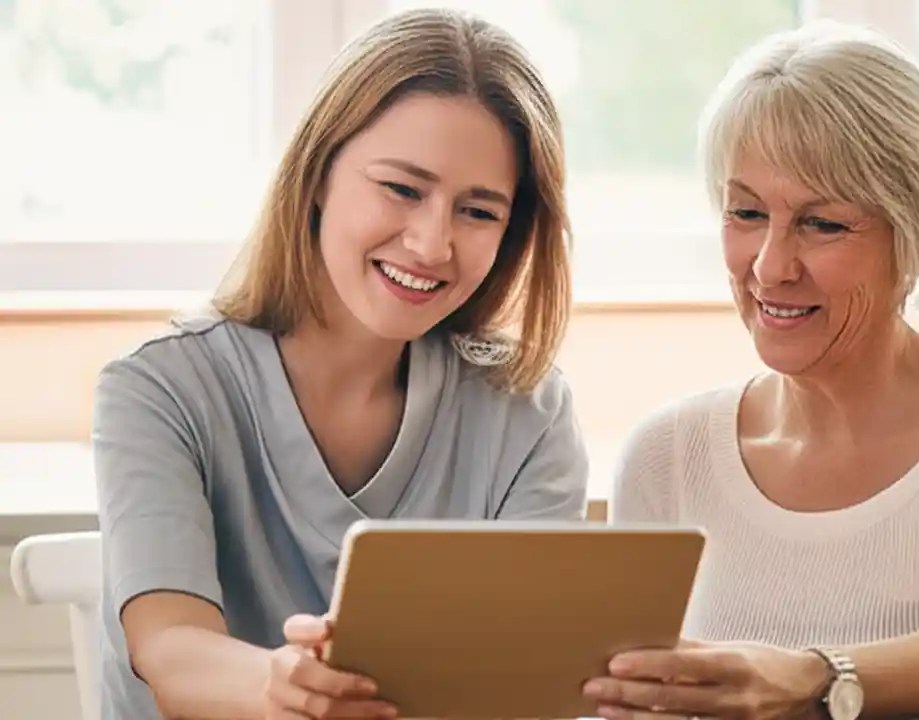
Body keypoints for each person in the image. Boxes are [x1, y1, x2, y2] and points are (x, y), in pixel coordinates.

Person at [594, 22, 919, 720]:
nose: (770, 266)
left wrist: (810, 681)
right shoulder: (667, 454)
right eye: (746, 212)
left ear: (917, 230)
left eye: (824, 224)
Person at [93, 9, 586, 719]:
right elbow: (169, 650)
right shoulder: (158, 390)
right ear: (319, 173)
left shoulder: (528, 413)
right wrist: (282, 687)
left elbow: (527, 675)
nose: (431, 243)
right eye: (402, 189)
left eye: (478, 212)